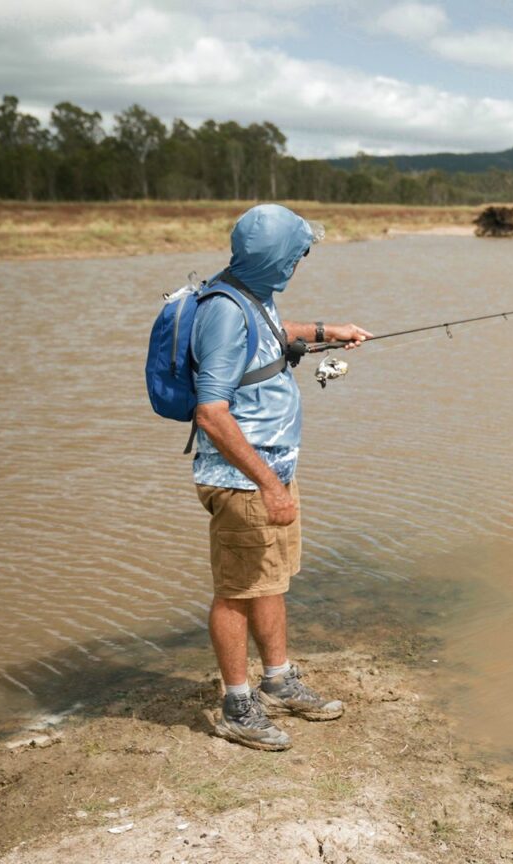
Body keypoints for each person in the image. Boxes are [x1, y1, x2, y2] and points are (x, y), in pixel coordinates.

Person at [191, 203, 372, 751]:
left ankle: (277, 681)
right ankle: (236, 705)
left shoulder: (252, 293)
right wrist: (269, 486)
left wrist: (328, 331)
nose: (301, 262)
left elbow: (273, 333)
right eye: (299, 253)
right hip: (244, 481)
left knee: (269, 582)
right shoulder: (225, 312)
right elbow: (211, 412)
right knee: (235, 592)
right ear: (281, 259)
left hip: (271, 472)